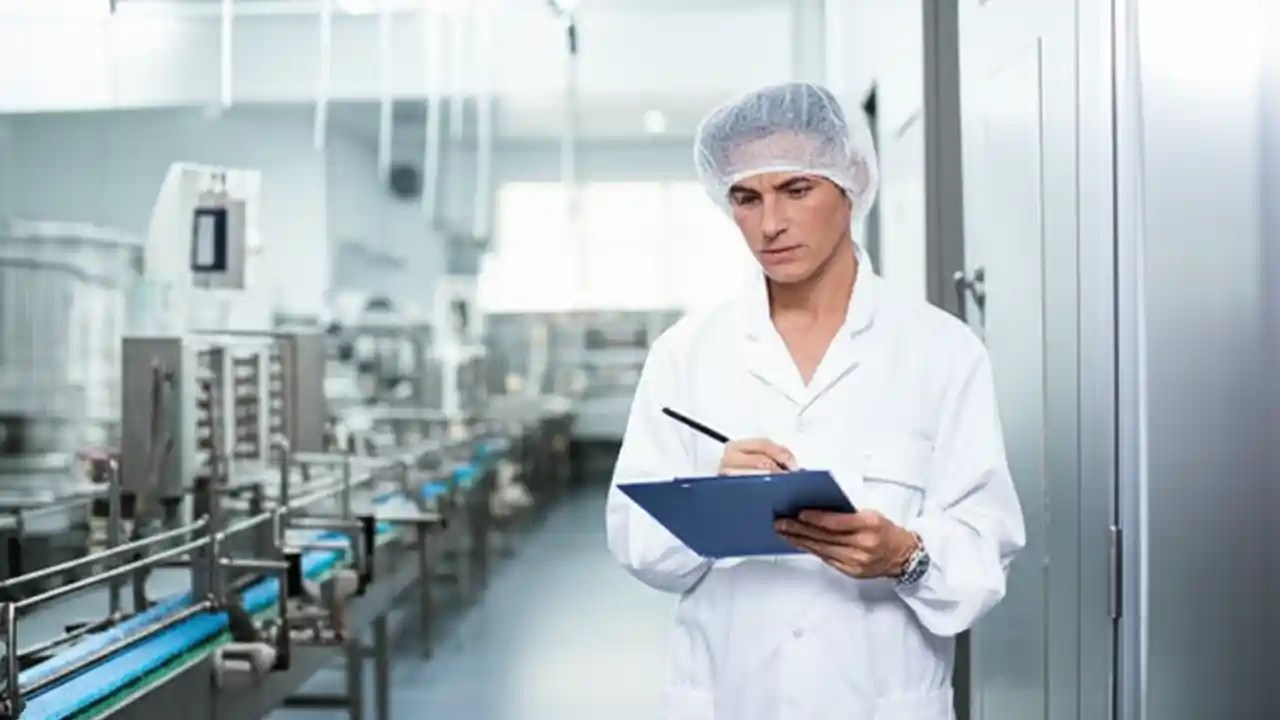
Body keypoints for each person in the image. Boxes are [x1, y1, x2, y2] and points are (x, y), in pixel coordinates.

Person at [605, 81, 1026, 719]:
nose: (770, 223)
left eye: (796, 189)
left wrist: (906, 555)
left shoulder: (942, 351)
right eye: (746, 197)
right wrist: (708, 494)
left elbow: (984, 546)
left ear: (850, 182)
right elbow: (637, 544)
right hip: (729, 699)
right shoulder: (685, 355)